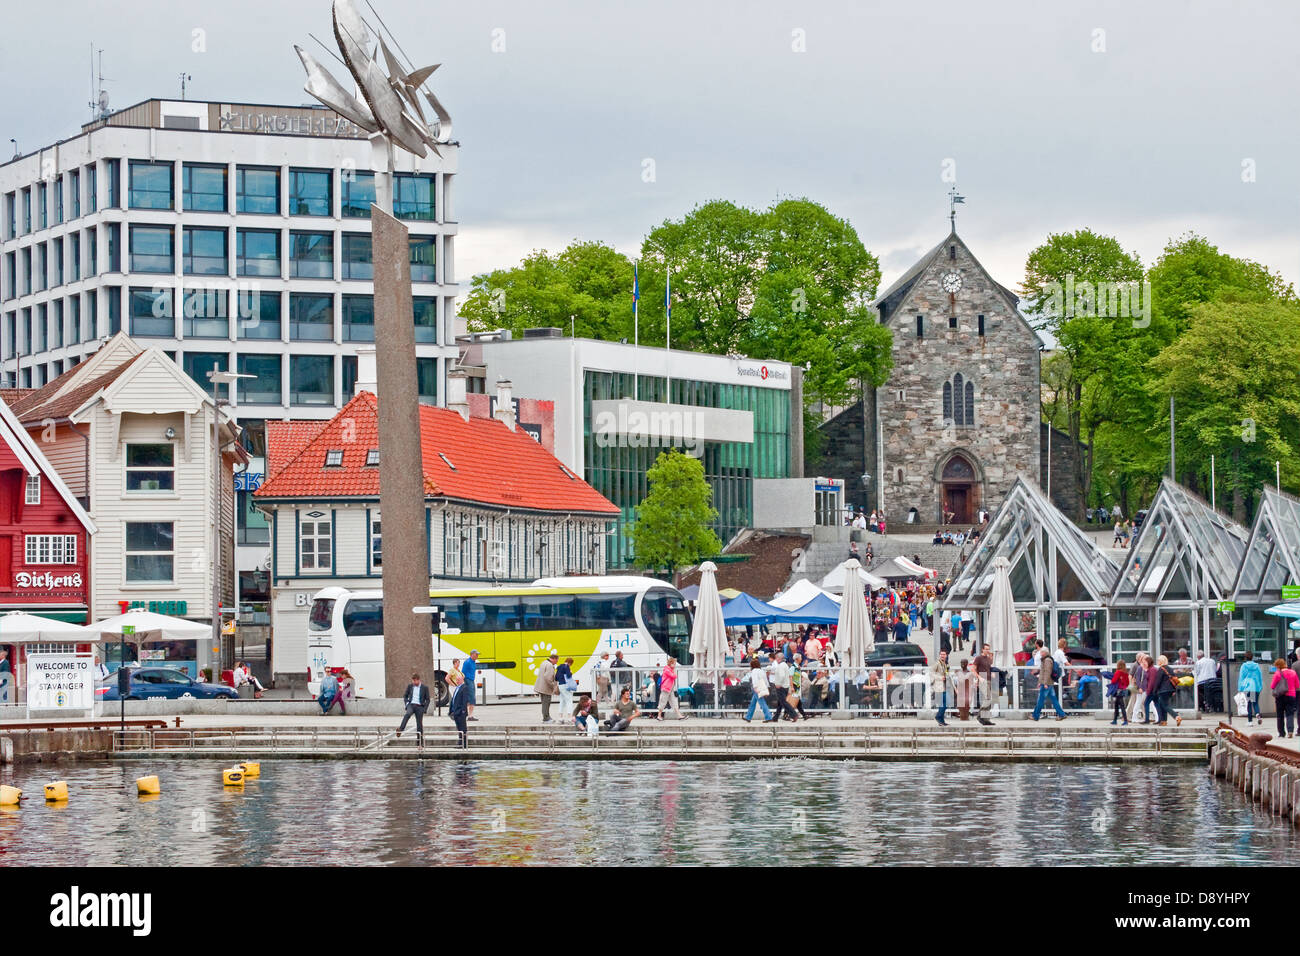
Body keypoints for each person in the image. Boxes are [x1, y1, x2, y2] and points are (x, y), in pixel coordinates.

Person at [1032, 646, 1067, 721]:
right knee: (1054, 699)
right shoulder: (1046, 659)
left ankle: (1035, 715)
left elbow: (1047, 672)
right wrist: (1040, 682)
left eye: (1042, 652)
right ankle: (1061, 714)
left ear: (1045, 653)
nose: (1040, 653)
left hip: (1047, 683)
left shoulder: (1047, 660)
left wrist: (1044, 683)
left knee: (1040, 700)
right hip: (1048, 682)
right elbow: (1043, 672)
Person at [396, 673, 431, 739]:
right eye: (413, 681)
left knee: (419, 725)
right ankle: (400, 729)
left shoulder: (425, 688)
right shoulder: (410, 686)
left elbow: (428, 699)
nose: (414, 682)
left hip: (420, 706)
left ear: (419, 680)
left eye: (415, 681)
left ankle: (420, 743)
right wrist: (406, 704)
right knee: (407, 714)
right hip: (411, 705)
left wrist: (424, 709)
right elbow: (405, 696)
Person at [1272, 658, 1300, 738]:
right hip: (1291, 695)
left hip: (1280, 696)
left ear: (1278, 666)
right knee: (1290, 714)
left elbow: (1272, 686)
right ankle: (1290, 731)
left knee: (1280, 715)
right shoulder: (1293, 672)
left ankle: (1281, 733)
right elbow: (1297, 685)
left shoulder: (1277, 674)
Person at [1153, 655, 1182, 726]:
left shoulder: (1161, 669)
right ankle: (1164, 721)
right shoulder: (1170, 668)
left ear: (1161, 661)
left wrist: (1154, 691)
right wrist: (1174, 690)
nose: (1158, 662)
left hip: (1163, 690)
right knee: (1162, 704)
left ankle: (1176, 716)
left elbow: (1158, 681)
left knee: (1165, 705)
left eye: (1158, 660)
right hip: (1170, 690)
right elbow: (1174, 679)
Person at [1238, 651, 1263, 726]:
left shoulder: (1244, 666)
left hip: (1247, 687)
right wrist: (1260, 686)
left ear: (1245, 658)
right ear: (1252, 657)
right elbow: (1260, 677)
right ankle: (1257, 714)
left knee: (1249, 703)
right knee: (1255, 703)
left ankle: (1250, 721)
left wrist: (1240, 688)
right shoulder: (1257, 666)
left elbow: (1241, 677)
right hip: (1255, 686)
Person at [534, 652, 560, 723]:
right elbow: (548, 677)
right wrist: (553, 686)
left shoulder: (544, 662)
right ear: (553, 659)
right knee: (546, 703)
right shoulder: (550, 665)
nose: (556, 662)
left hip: (541, 687)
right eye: (557, 660)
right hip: (546, 688)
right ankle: (546, 718)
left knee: (544, 703)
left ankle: (547, 717)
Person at [973, 644, 995, 725]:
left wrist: (992, 655)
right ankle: (980, 715)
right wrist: (979, 677)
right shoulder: (979, 658)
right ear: (982, 649)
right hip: (983, 679)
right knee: (988, 698)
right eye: (986, 649)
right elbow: (973, 669)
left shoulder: (988, 658)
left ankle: (986, 719)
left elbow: (990, 665)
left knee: (989, 700)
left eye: (988, 649)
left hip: (989, 679)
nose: (987, 650)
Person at [449, 674, 470, 748]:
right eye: (456, 680)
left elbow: (465, 700)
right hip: (455, 712)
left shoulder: (464, 688)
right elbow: (453, 699)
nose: (457, 681)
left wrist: (463, 711)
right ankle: (460, 742)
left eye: (458, 680)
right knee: (459, 728)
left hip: (461, 712)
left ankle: (463, 744)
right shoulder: (457, 688)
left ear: (461, 680)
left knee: (463, 728)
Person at [930, 650, 951, 726]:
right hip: (939, 687)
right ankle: (938, 717)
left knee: (943, 703)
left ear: (946, 655)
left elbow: (947, 674)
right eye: (941, 654)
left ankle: (941, 721)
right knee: (946, 703)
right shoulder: (937, 663)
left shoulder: (945, 664)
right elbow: (931, 673)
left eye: (944, 654)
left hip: (944, 686)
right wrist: (939, 677)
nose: (942, 656)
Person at [1108, 659, 1131, 725]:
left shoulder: (1118, 672)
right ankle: (1115, 720)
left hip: (1118, 691)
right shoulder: (1126, 673)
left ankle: (1125, 720)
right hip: (1123, 690)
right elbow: (1127, 683)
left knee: (1121, 706)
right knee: (1117, 705)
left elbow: (1113, 681)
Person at [461, 649, 480, 721]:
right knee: (471, 698)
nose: (477, 656)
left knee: (470, 698)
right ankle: (469, 715)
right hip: (468, 681)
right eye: (476, 654)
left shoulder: (473, 662)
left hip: (471, 680)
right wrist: (464, 683)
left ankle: (468, 714)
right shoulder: (467, 662)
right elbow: (463, 673)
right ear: (471, 654)